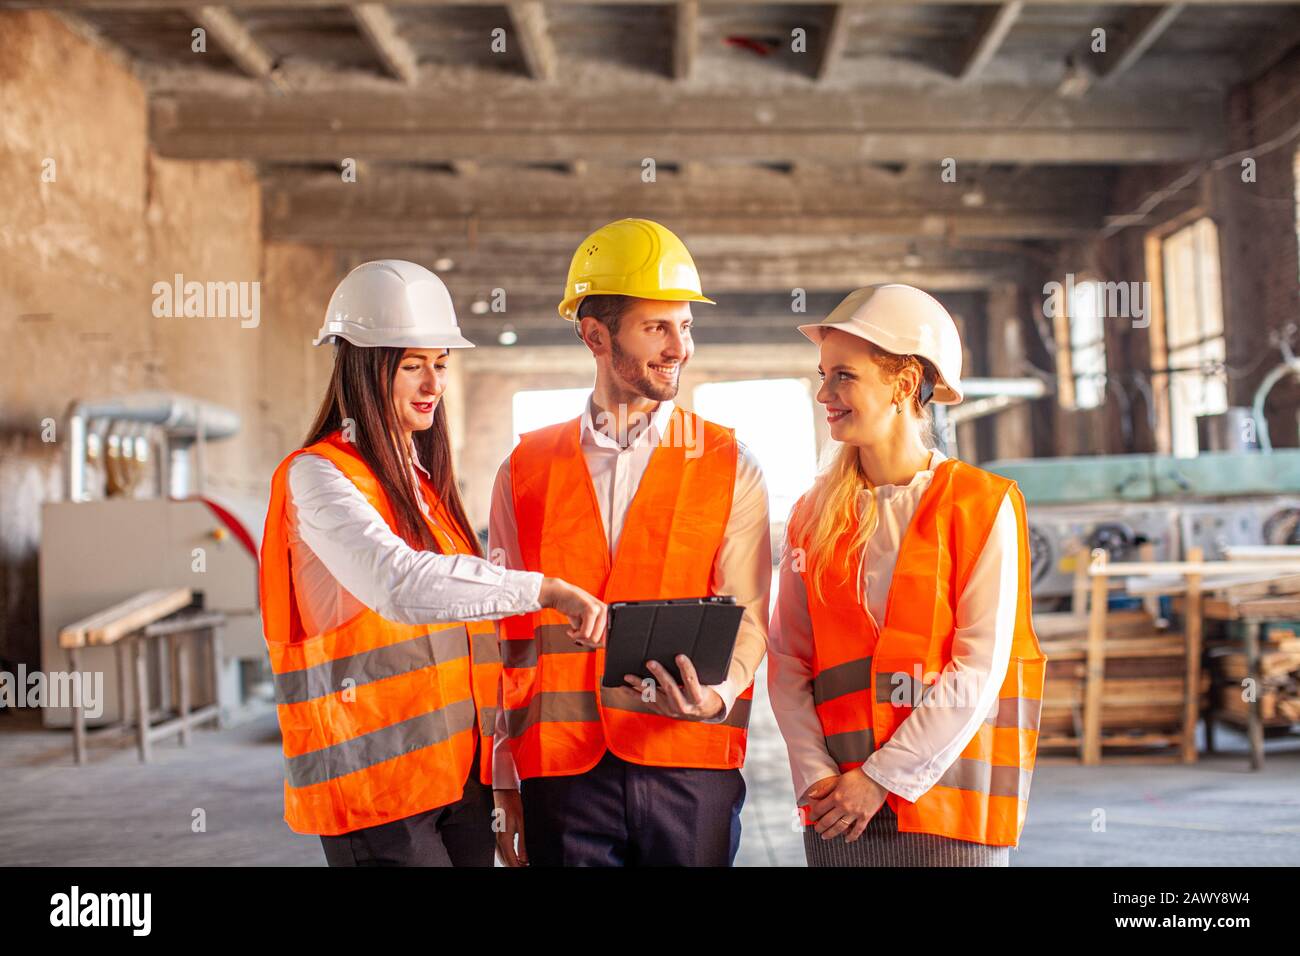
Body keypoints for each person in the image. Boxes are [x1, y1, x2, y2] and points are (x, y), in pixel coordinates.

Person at [258, 259, 605, 867]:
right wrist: (545, 589)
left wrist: (498, 776)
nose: (433, 385)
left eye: (440, 364)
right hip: (376, 791)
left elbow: (465, 644)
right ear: (363, 367)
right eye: (412, 365)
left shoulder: (423, 488)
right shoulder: (317, 477)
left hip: (454, 780)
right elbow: (398, 584)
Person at [488, 219, 771, 867]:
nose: (681, 347)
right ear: (594, 334)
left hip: (688, 760)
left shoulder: (731, 462)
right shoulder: (525, 467)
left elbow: (752, 615)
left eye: (687, 326)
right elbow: (503, 633)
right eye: (657, 327)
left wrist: (717, 695)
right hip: (560, 771)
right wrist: (503, 777)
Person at [767, 284, 1046, 867]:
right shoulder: (812, 515)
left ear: (901, 383)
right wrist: (817, 776)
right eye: (823, 375)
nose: (824, 393)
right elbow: (789, 658)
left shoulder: (981, 503)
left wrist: (881, 778)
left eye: (842, 376)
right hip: (837, 811)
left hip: (947, 809)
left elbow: (980, 666)